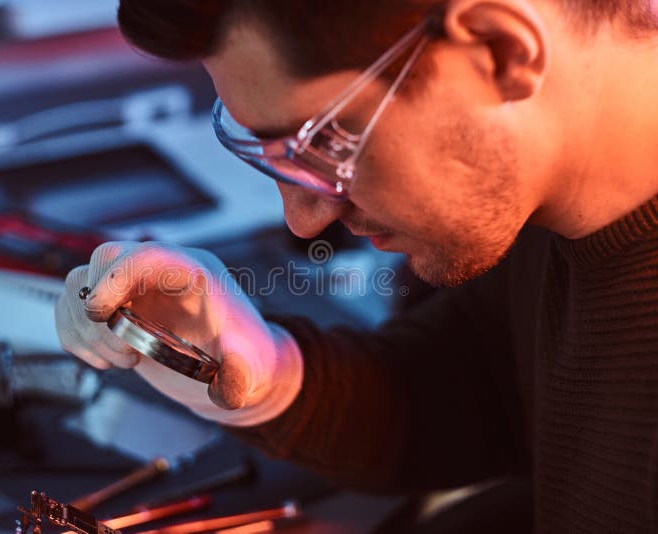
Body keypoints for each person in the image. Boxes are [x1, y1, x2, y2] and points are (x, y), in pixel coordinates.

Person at [55, 0, 658, 531]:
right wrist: (268, 372)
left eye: (321, 144)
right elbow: (483, 394)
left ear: (497, 51)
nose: (304, 220)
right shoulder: (542, 205)